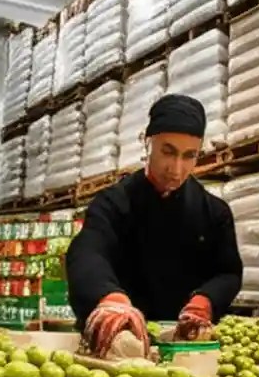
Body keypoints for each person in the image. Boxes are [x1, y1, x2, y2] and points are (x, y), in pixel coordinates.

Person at [66, 93, 243, 357]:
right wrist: (109, 299)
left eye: (189, 156)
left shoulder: (214, 212)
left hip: (182, 347)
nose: (176, 168)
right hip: (118, 343)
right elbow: (88, 252)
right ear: (147, 142)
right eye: (168, 152)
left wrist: (204, 301)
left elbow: (228, 273)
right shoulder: (113, 203)